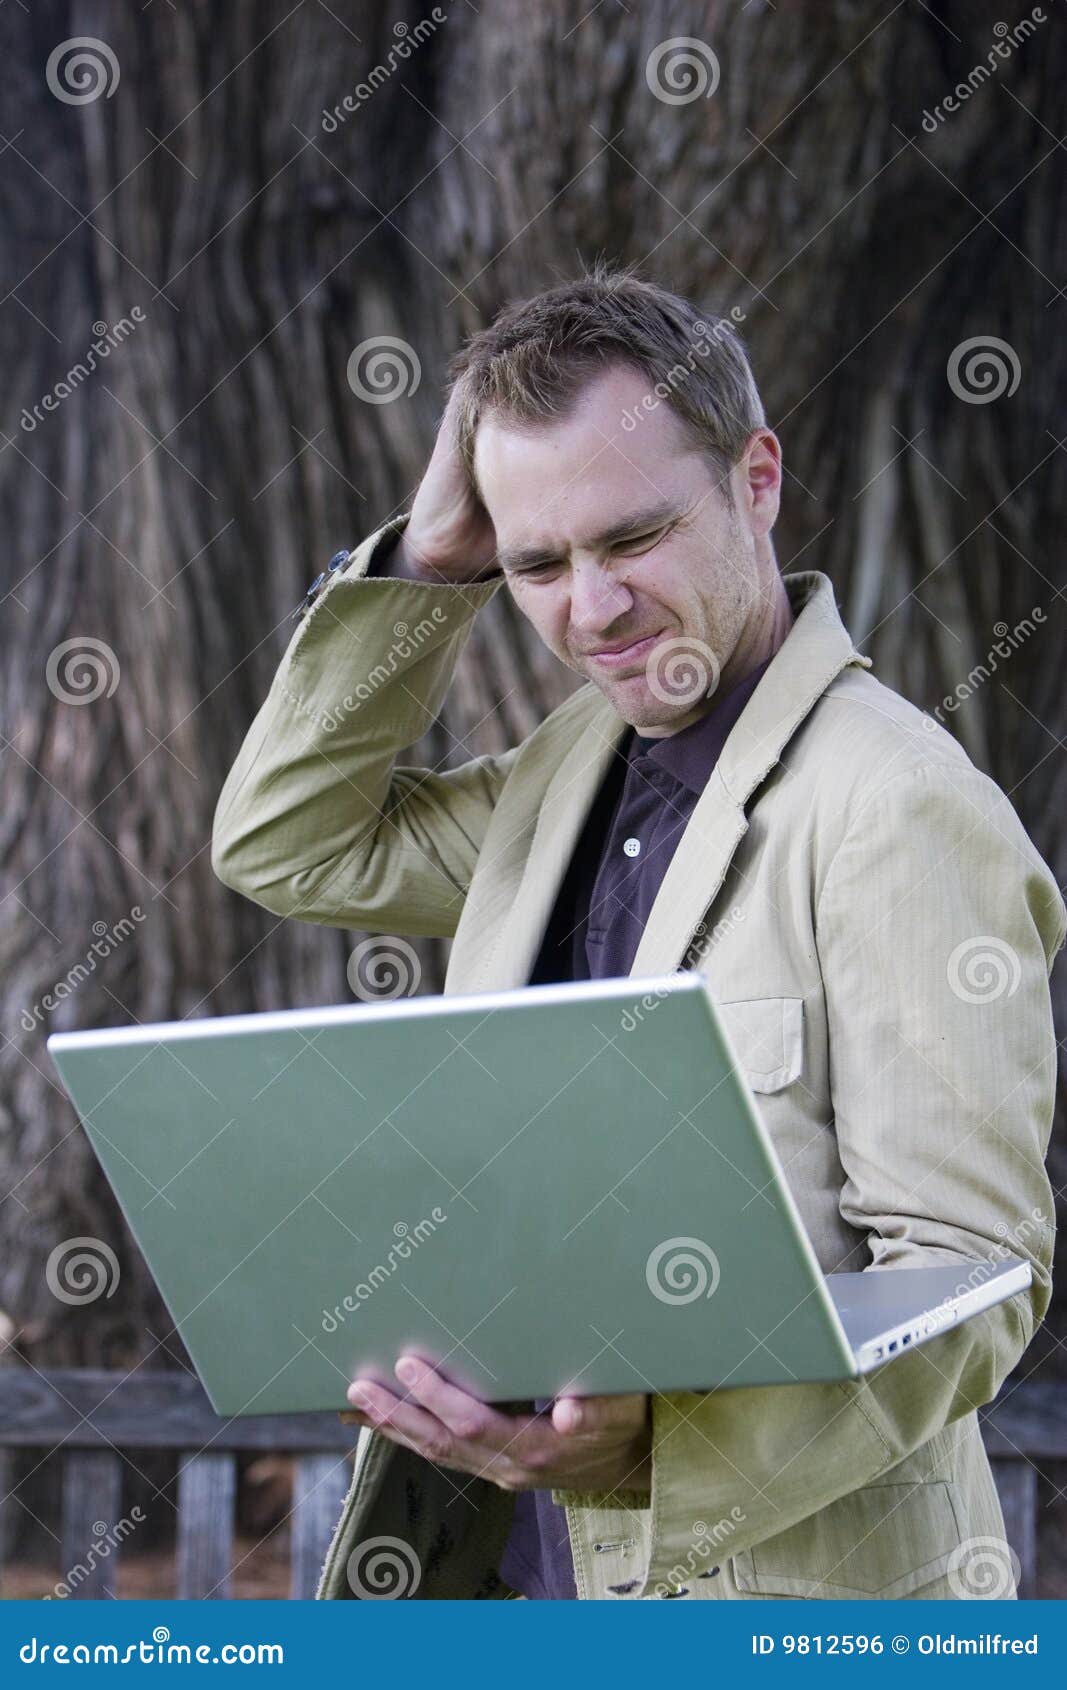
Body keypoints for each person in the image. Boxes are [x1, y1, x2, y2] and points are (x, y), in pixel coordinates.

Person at [211, 267, 1065, 1601]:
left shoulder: (899, 806)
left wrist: (666, 1443)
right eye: (537, 563)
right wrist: (428, 566)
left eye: (635, 537)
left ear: (757, 478)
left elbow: (973, 1281)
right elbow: (286, 839)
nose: (593, 611)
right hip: (507, 1587)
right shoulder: (561, 776)